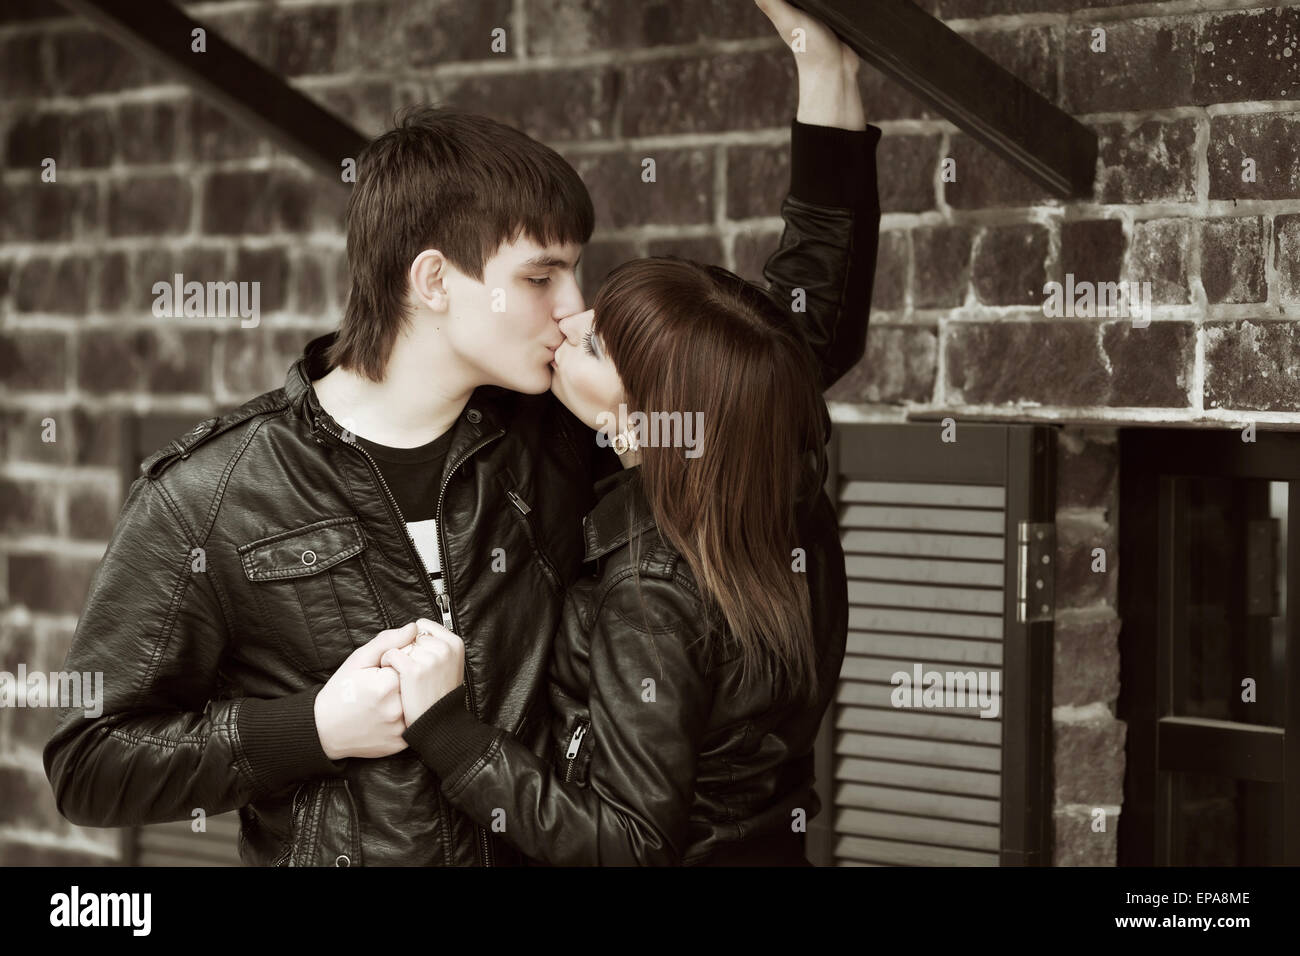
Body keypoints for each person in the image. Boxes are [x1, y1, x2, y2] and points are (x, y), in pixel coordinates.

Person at [42, 0, 878, 866]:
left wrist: (826, 73)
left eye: (576, 271)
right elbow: (89, 763)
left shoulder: (557, 436)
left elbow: (779, 359)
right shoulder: (211, 496)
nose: (571, 308)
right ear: (435, 281)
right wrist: (313, 728)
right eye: (541, 275)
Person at [378, 0, 880, 866]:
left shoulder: (652, 591)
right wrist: (823, 66)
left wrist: (447, 732)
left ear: (647, 417)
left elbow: (629, 843)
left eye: (598, 343)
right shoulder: (761, 453)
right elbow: (814, 302)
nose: (570, 321)